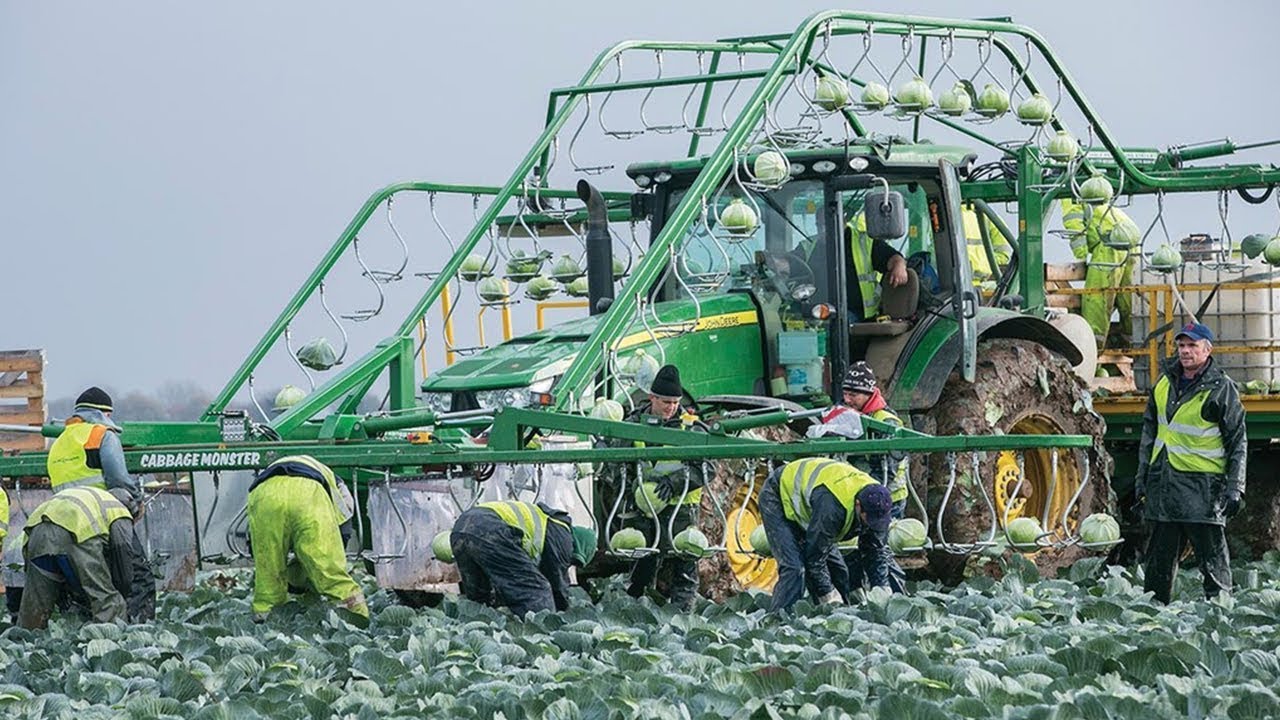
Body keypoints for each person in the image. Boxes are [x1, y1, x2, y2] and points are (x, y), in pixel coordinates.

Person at [1136, 322, 1247, 603]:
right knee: (1157, 571)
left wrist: (1236, 487)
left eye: (1192, 346)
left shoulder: (1222, 389)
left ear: (1207, 350)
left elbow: (1237, 442)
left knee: (1214, 567)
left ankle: (1221, 616)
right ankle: (1153, 622)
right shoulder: (1163, 384)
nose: (1185, 351)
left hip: (1203, 493)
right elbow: (1149, 436)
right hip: (1164, 490)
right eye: (1182, 346)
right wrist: (1142, 480)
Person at [598, 364, 706, 611]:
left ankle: (682, 620)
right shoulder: (631, 425)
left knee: (685, 571)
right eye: (666, 402)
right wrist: (631, 488)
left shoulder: (692, 427)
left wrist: (675, 482)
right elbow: (614, 466)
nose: (671, 408)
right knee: (641, 571)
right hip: (641, 512)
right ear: (652, 398)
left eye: (675, 403)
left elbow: (706, 468)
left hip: (681, 512)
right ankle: (638, 616)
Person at [45, 387, 155, 621]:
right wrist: (136, 503)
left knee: (82, 587)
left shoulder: (58, 443)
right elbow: (118, 480)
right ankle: (139, 632)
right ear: (104, 412)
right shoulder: (101, 434)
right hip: (103, 519)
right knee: (138, 577)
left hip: (64, 522)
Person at [759, 457, 894, 613]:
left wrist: (882, 587)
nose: (873, 524)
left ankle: (840, 614)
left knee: (840, 570)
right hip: (778, 495)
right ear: (858, 505)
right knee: (794, 569)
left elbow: (875, 550)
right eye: (868, 518)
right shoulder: (833, 508)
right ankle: (778, 621)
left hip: (811, 506)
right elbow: (815, 556)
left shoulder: (879, 504)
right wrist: (827, 594)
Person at [246, 455, 369, 622]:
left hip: (264, 492)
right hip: (307, 491)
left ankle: (265, 620)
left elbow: (257, 549)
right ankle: (356, 617)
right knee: (330, 571)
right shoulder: (339, 486)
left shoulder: (316, 467)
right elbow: (343, 528)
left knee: (269, 572)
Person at [451, 499, 597, 616]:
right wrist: (562, 615)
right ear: (579, 545)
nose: (569, 563)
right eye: (574, 560)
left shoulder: (550, 523)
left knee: (480, 599)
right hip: (491, 530)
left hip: (461, 529)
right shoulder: (563, 535)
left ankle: (474, 635)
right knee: (537, 590)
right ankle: (540, 637)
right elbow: (555, 579)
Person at [18, 487, 138, 629]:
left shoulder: (92, 497)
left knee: (36, 601)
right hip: (77, 531)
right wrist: (122, 591)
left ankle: (25, 641)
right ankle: (109, 642)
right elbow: (122, 553)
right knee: (107, 600)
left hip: (37, 532)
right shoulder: (118, 509)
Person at [1061, 200, 1140, 349]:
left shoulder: (1070, 194)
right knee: (1128, 299)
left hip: (1108, 245)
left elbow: (1074, 223)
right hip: (1128, 240)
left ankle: (1093, 349)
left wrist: (1081, 253)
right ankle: (1134, 345)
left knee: (1097, 298)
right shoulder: (1092, 187)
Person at [846, 212, 909, 322]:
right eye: (819, 223)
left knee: (836, 324)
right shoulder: (815, 245)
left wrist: (899, 266)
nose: (822, 226)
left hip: (857, 313)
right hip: (820, 310)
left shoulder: (863, 241)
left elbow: (893, 258)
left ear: (842, 218)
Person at [963, 204, 1013, 284]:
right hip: (976, 284)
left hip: (967, 284)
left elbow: (1003, 254)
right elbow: (1004, 254)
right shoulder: (987, 215)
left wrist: (984, 260)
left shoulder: (986, 216)